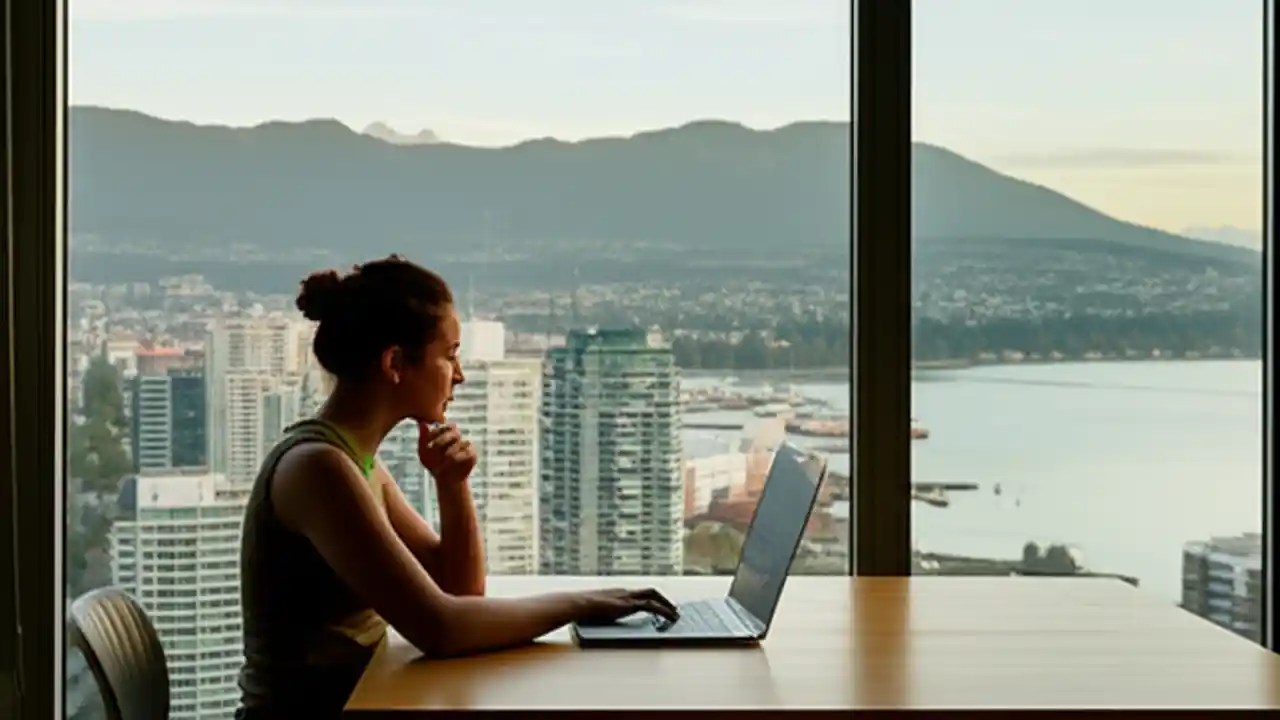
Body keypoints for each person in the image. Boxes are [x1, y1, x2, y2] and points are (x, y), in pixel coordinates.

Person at [236, 255, 679, 717]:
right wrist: (580, 604)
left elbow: (461, 594)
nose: (460, 374)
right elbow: (440, 628)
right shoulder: (319, 470)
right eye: (449, 355)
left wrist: (452, 485)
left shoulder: (357, 464)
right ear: (395, 363)